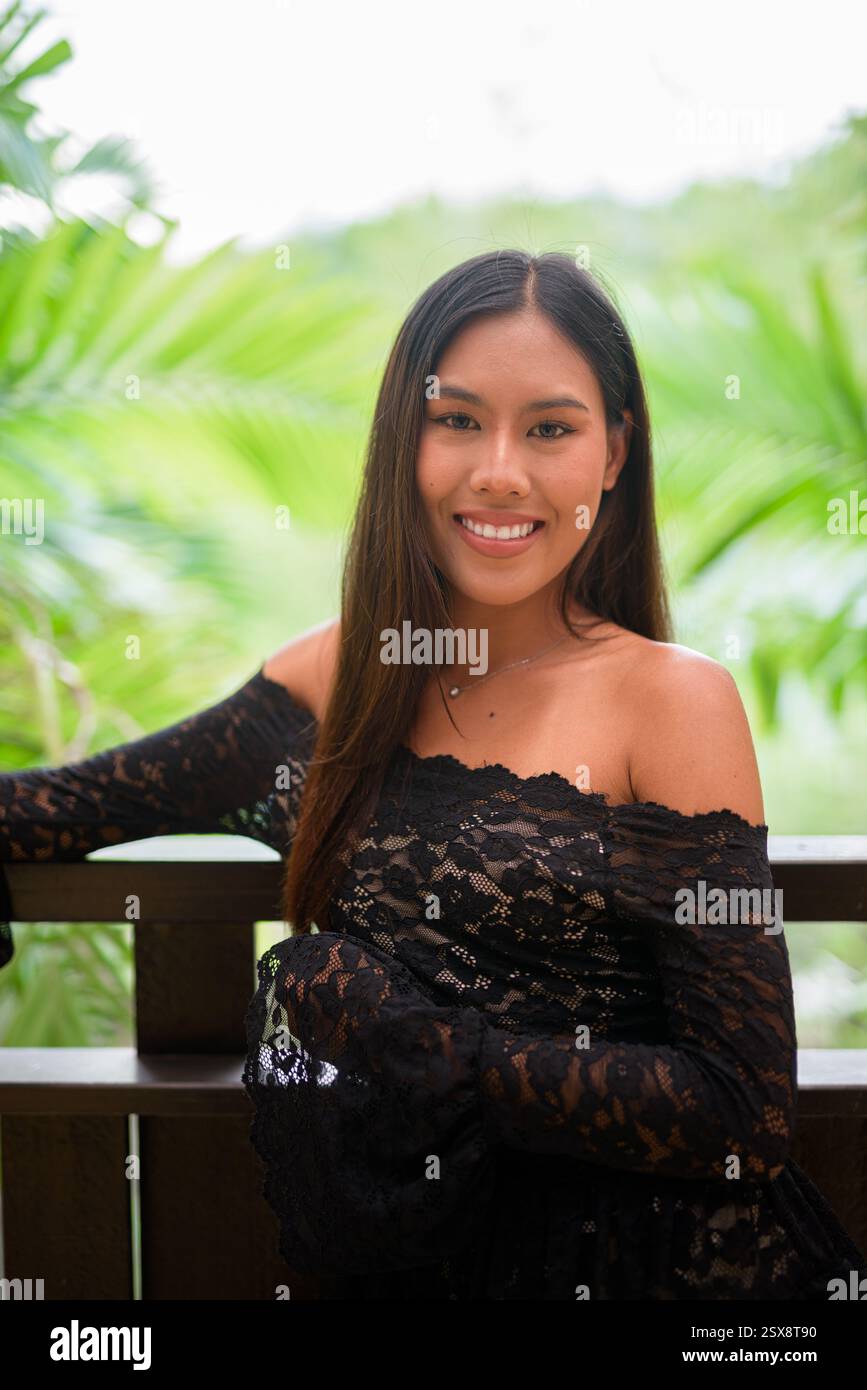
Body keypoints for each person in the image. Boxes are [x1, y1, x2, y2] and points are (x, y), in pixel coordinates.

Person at [1, 250, 863, 1300]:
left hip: (667, 1275)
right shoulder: (331, 680)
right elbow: (65, 805)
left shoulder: (672, 699)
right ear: (402, 443)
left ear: (613, 453)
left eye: (550, 427)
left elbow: (745, 1110)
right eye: (456, 419)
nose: (499, 469)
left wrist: (425, 1049)